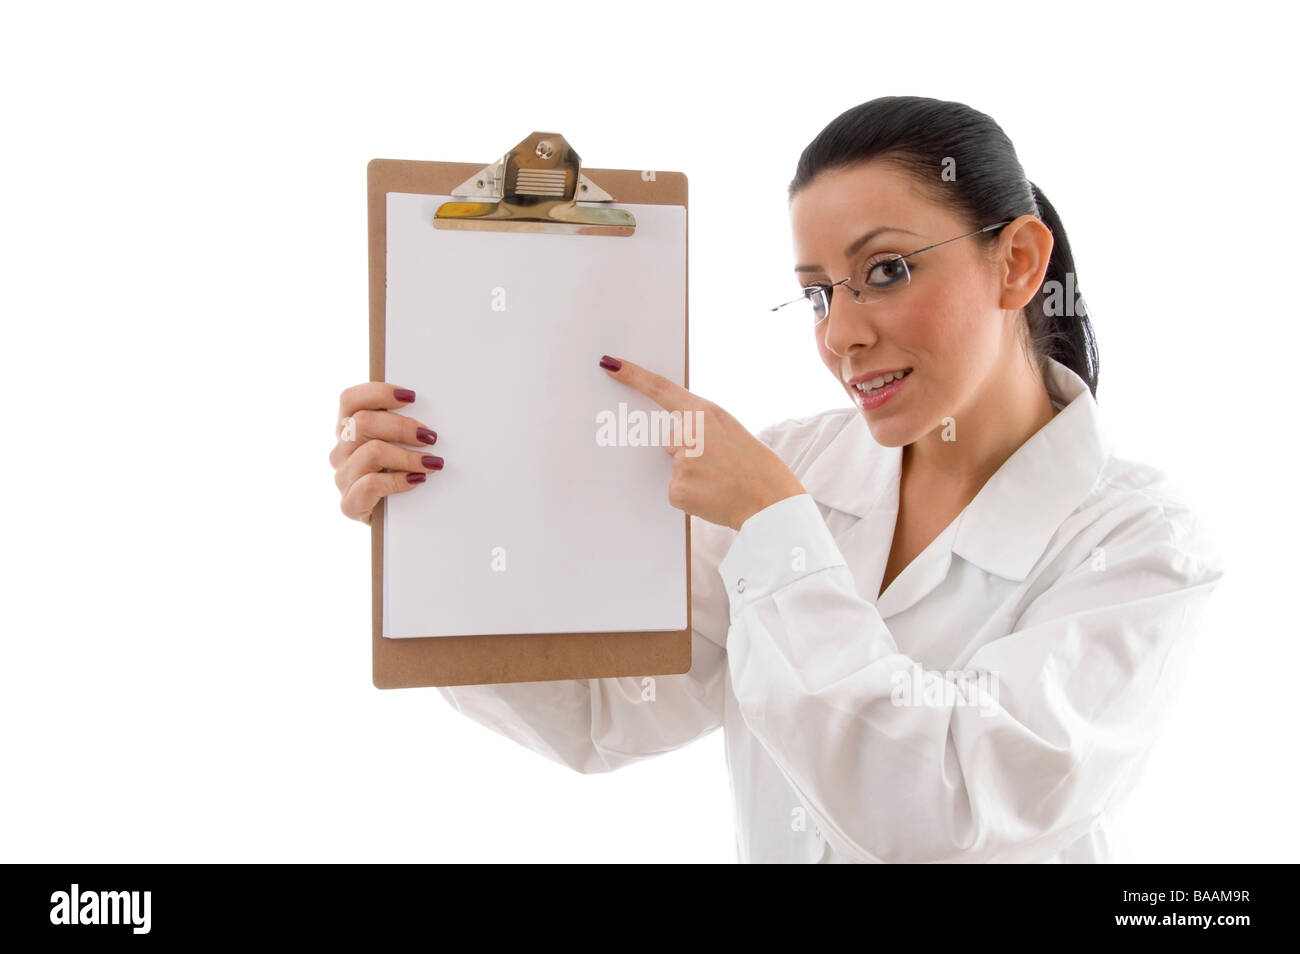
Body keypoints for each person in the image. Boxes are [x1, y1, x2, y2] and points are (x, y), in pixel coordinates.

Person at [329, 96, 1223, 862]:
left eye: (885, 272)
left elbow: (940, 806)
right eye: (817, 293)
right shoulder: (796, 467)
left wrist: (780, 533)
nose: (841, 334)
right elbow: (603, 715)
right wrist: (435, 524)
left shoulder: (1139, 544)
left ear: (1019, 262)